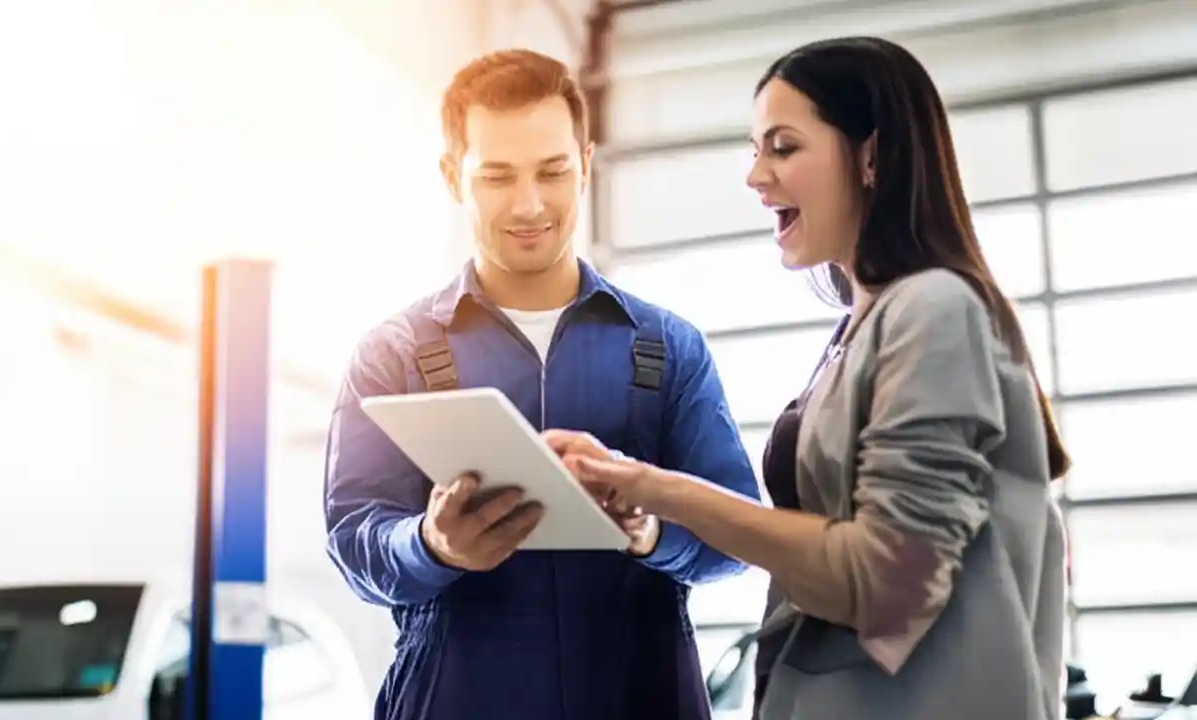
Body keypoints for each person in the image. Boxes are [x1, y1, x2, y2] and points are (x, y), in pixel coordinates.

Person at [546, 36, 1071, 720]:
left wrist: (655, 488)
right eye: (755, 149)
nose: (755, 176)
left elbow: (885, 582)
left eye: (783, 147)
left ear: (872, 155)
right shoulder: (860, 331)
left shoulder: (934, 310)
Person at [323, 48, 760, 720]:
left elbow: (736, 538)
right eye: (497, 177)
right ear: (452, 175)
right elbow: (355, 539)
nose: (529, 205)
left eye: (553, 172)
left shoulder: (668, 350)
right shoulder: (394, 355)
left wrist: (647, 530)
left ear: (585, 164)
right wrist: (432, 544)